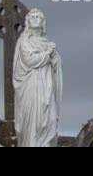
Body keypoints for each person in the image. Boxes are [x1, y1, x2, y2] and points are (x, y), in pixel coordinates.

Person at [13, 9, 63, 147]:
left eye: (38, 17)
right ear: (28, 22)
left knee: (49, 119)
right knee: (33, 123)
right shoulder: (24, 41)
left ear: (43, 22)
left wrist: (55, 58)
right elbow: (30, 60)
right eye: (32, 17)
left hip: (46, 85)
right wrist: (48, 53)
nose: (35, 19)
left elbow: (55, 65)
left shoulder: (47, 43)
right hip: (30, 87)